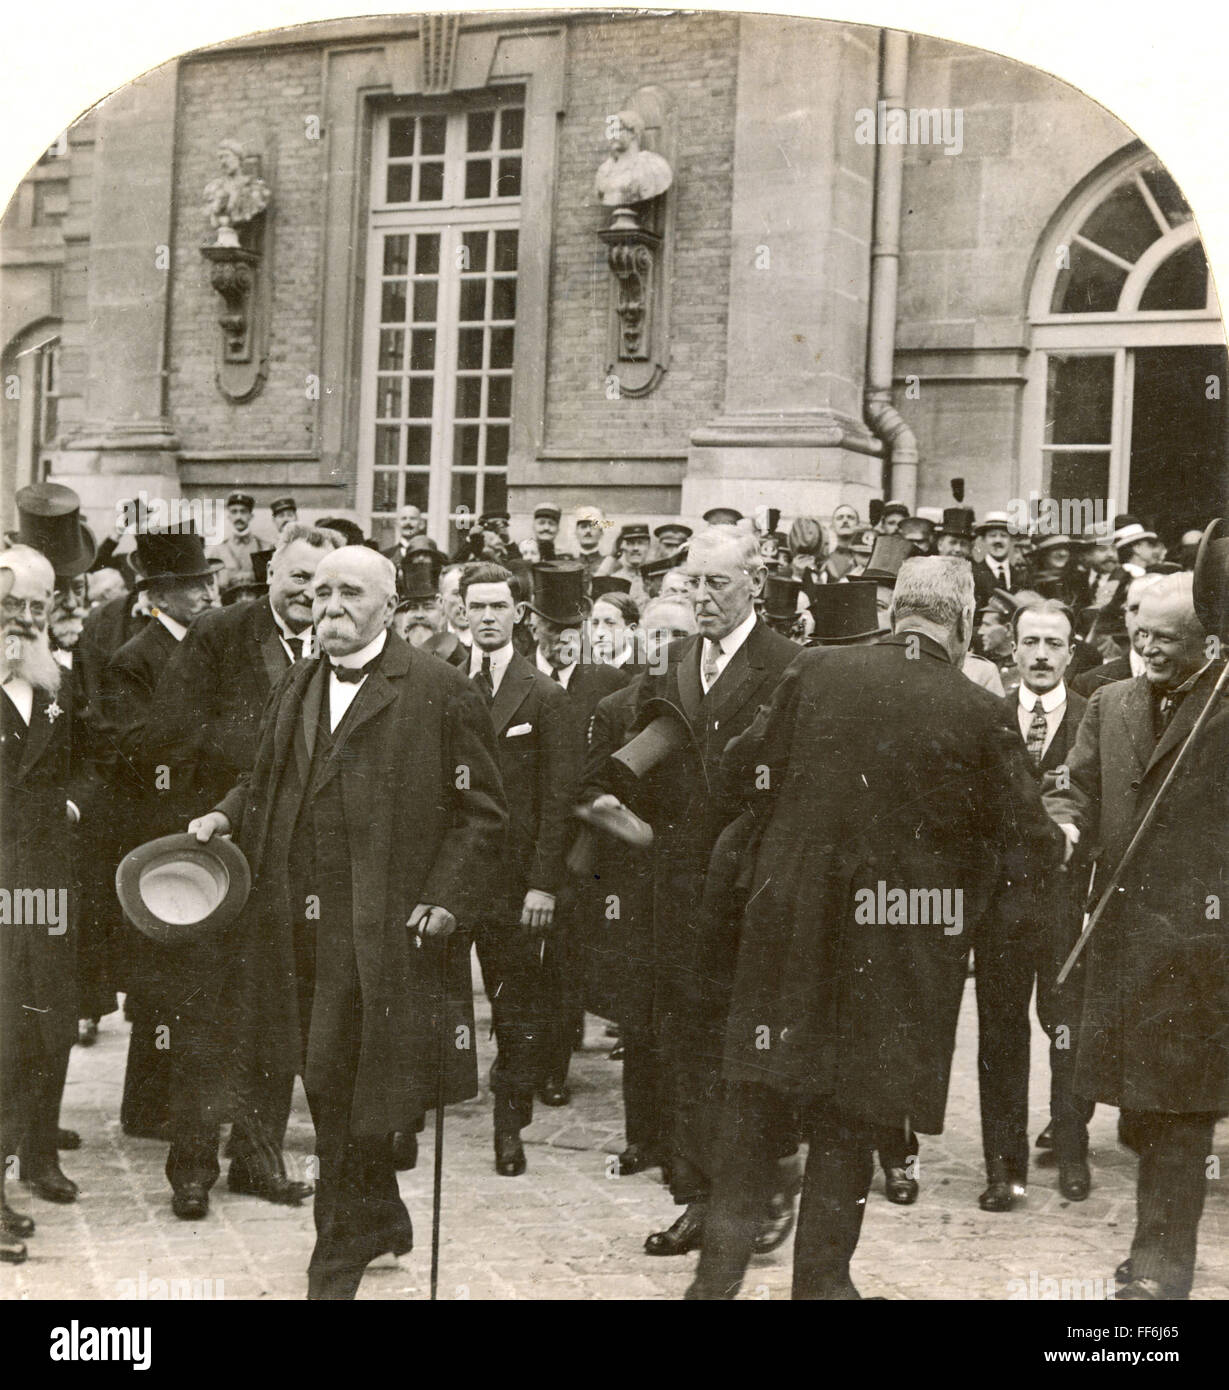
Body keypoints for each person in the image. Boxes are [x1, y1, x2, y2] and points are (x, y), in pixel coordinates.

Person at [686, 557, 1061, 1299]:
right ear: (957, 626)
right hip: (895, 949)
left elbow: (736, 770)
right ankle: (822, 1285)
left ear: (897, 615)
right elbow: (1031, 845)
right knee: (849, 1119)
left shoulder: (812, 671)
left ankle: (714, 1285)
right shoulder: (977, 710)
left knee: (756, 1110)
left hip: (785, 934)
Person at [191, 545, 505, 1298]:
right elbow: (263, 774)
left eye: (350, 593)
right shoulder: (298, 678)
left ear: (390, 607)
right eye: (319, 590)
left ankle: (334, 1259)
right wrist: (224, 815)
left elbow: (484, 817)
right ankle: (382, 1218)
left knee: (347, 1081)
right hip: (289, 923)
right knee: (330, 1079)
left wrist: (445, 898)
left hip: (380, 932)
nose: (328, 605)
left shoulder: (439, 689)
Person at [586, 526, 801, 1257]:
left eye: (716, 583)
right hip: (675, 888)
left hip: (751, 890)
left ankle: (768, 1182)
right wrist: (613, 801)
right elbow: (646, 744)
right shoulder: (675, 660)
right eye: (690, 584)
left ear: (755, 586)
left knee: (745, 1048)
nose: (700, 598)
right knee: (684, 1044)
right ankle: (703, 1197)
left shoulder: (788, 666)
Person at [131, 524, 343, 1217]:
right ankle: (191, 1168)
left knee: (279, 1017)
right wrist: (247, 779)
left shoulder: (334, 648)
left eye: (324, 580)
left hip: (296, 866)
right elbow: (172, 733)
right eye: (298, 576)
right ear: (271, 573)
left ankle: (258, 1158)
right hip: (218, 850)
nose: (310, 591)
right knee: (205, 1013)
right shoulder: (222, 632)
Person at [1043, 572, 1227, 1299]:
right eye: (1136, 635)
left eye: (1165, 639)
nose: (1145, 649)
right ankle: (1155, 1245)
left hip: (1199, 947)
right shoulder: (1109, 702)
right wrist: (1063, 822)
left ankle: (1156, 1272)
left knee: (1177, 1113)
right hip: (1120, 941)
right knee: (1145, 1112)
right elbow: (1076, 785)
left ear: (1208, 641)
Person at [100, 529, 220, 1148]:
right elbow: (131, 749)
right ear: (159, 597)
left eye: (206, 580)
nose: (206, 592)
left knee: (195, 970)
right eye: (191, 585)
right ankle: (146, 1107)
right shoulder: (136, 658)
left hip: (202, 828)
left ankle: (181, 1098)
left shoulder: (208, 645)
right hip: (155, 831)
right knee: (158, 974)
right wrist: (202, 734)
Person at [461, 561, 581, 1174]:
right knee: (429, 1001)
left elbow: (559, 797)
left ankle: (510, 1127)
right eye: (476, 606)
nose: (486, 617)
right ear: (461, 612)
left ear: (518, 615)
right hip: (449, 877)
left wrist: (542, 883)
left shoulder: (544, 694)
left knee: (514, 1006)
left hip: (513, 883)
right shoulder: (440, 682)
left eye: (497, 607)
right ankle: (401, 1125)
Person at [975, 600, 1091, 1215]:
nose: (1042, 654)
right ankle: (1003, 1168)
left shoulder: (1092, 716)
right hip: (999, 905)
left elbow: (1092, 794)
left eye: (1054, 642)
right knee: (999, 1031)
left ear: (1072, 652)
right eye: (1031, 642)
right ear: (1012, 652)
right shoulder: (990, 719)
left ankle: (1072, 1148)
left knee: (1066, 1026)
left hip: (1064, 905)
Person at [0, 547, 82, 1263]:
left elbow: (88, 754)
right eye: (12, 606)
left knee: (34, 1030)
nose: (24, 620)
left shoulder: (56, 679)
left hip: (44, 886)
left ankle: (12, 1175)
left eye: (35, 607)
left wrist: (74, 800)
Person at [523, 563, 627, 1104]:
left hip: (586, 849)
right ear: (532, 624)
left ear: (585, 624)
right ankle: (522, 1058)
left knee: (567, 958)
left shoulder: (608, 684)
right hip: (525, 844)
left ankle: (553, 1065)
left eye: (570, 627)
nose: (559, 637)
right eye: (548, 625)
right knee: (523, 961)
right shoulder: (516, 680)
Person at [1071, 573, 1163, 696]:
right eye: (1135, 609)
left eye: (1155, 609)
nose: (1143, 620)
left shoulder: (1192, 679)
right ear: (1125, 617)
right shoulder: (1088, 685)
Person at [206, 492, 274, 599]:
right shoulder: (217, 551)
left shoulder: (265, 547)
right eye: (234, 512)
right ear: (229, 516)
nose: (239, 516)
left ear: (250, 516)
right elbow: (212, 589)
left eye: (243, 512)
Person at [596, 523, 652, 608]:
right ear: (622, 547)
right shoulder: (615, 579)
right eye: (630, 543)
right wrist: (613, 556)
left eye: (640, 543)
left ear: (648, 546)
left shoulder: (653, 577)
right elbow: (596, 591)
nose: (635, 548)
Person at [972, 511, 1020, 605]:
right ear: (984, 539)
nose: (998, 540)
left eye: (1003, 536)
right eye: (992, 535)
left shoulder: (1020, 575)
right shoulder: (973, 574)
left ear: (1011, 539)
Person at [588, 588, 639, 669]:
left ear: (631, 630)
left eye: (610, 623)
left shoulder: (644, 673)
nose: (599, 632)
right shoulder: (582, 667)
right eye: (595, 623)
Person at [573, 505, 607, 578]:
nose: (588, 531)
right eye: (583, 527)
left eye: (593, 527)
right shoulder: (569, 563)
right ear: (576, 532)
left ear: (601, 533)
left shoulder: (609, 564)